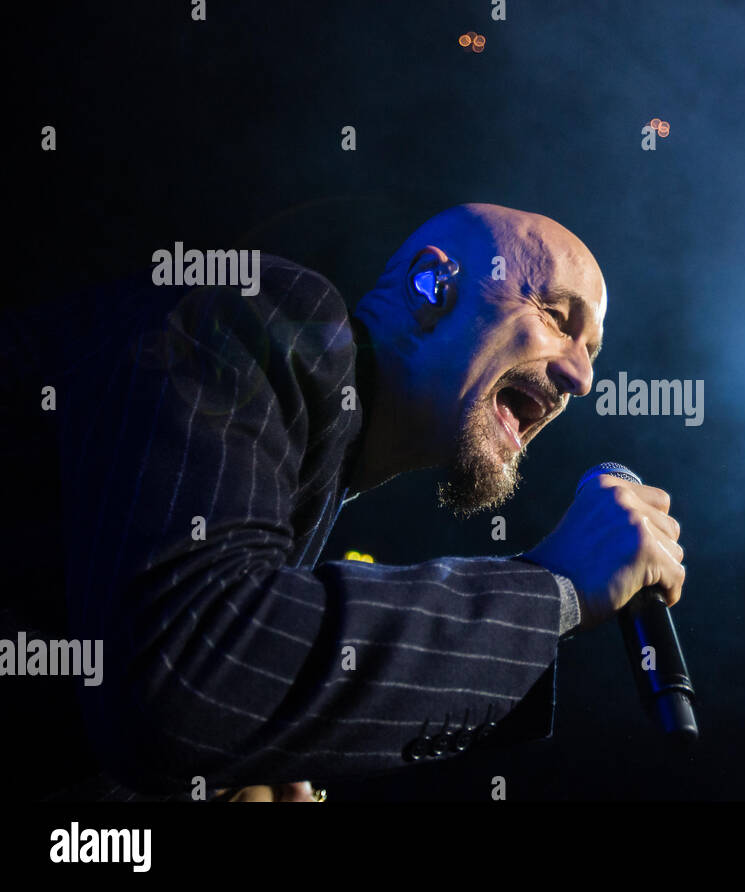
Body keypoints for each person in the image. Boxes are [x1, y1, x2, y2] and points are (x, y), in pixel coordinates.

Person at [0, 203, 685, 800]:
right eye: (558, 318)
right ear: (432, 284)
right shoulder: (271, 309)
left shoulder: (308, 483)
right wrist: (553, 589)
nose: (581, 377)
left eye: (591, 352)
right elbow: (178, 684)